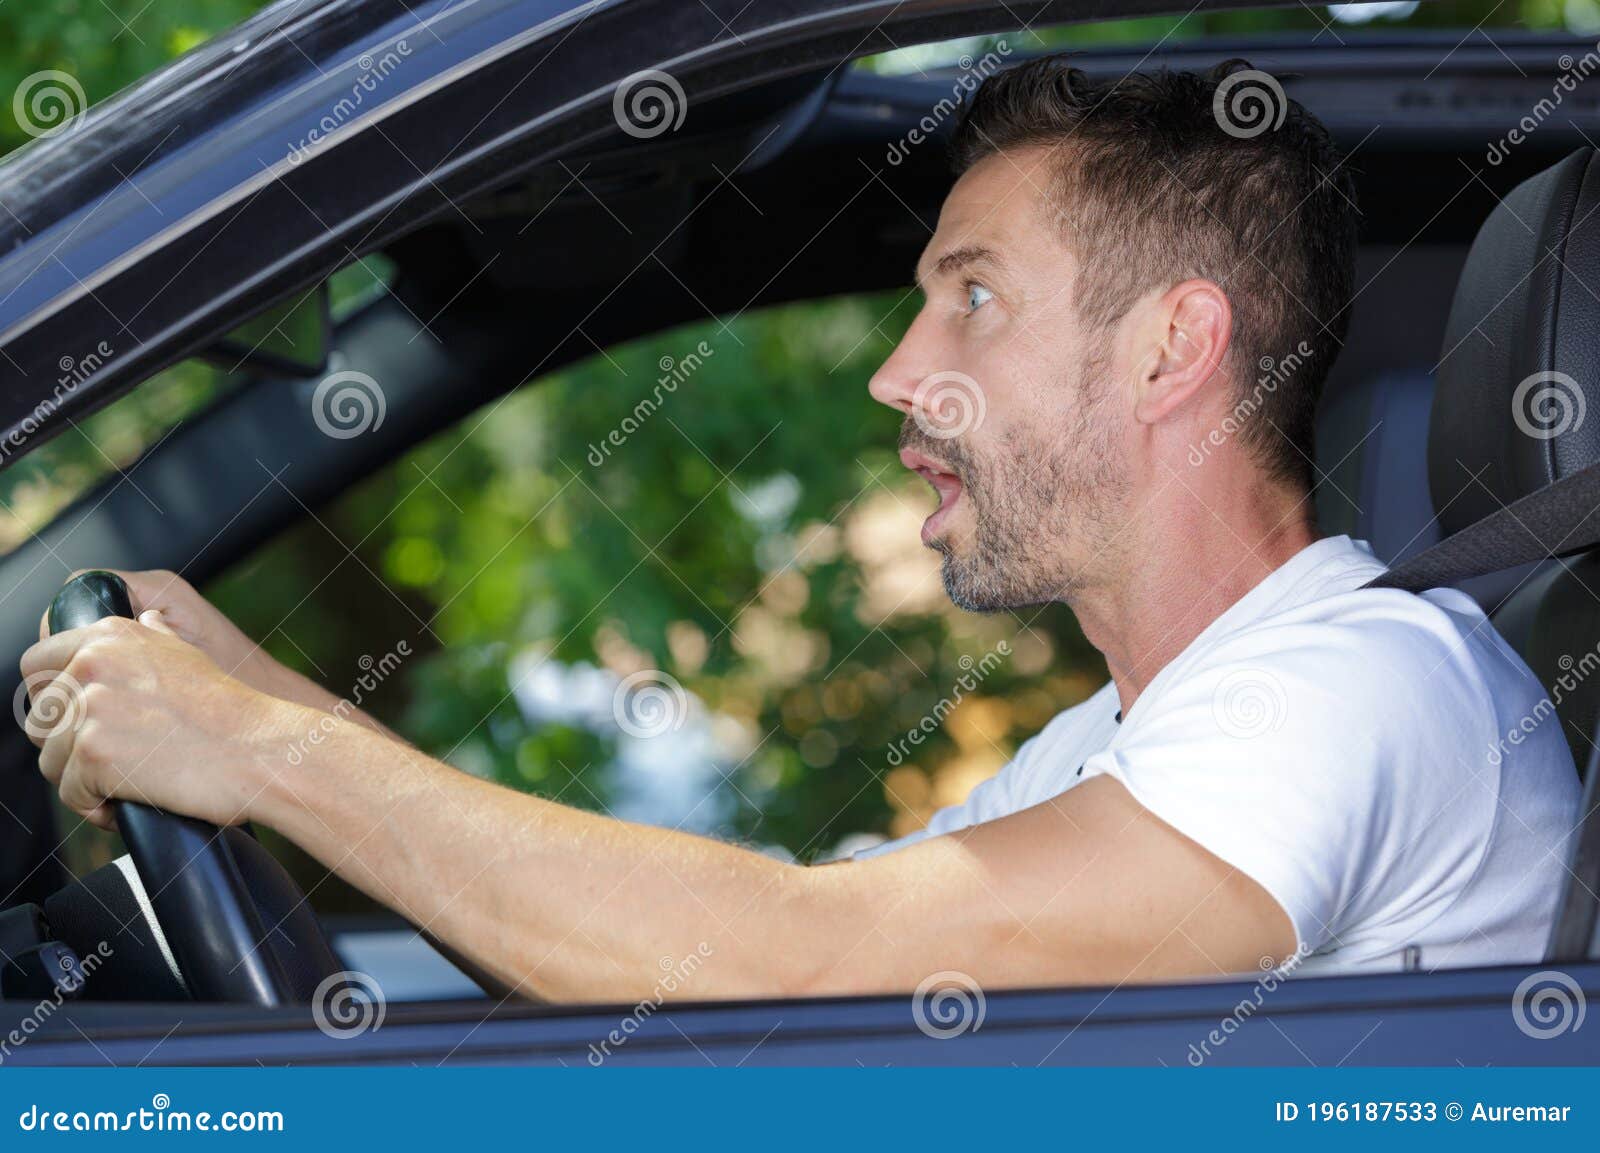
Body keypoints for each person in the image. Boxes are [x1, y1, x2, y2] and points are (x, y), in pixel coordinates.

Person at [19, 58, 1579, 1000]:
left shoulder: (1357, 687)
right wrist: (249, 695)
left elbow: (795, 959)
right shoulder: (1125, 744)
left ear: (1171, 349)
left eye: (972, 297)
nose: (902, 372)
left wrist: (267, 754)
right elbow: (710, 969)